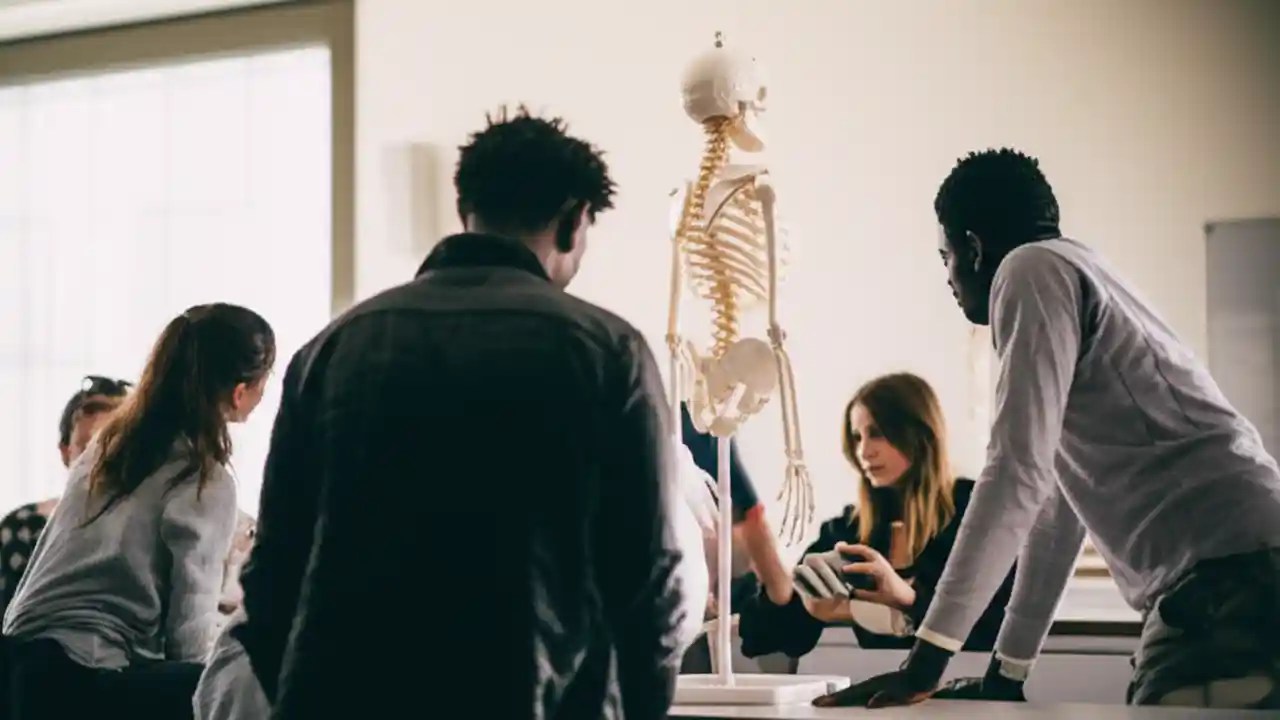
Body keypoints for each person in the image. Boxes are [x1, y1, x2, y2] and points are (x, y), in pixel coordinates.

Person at [224, 106, 690, 720]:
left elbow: (271, 577)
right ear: (575, 223)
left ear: (466, 209)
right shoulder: (609, 352)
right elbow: (649, 584)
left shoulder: (332, 349)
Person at [814, 149, 1280, 710]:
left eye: (946, 257)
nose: (949, 278)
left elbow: (1013, 473)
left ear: (974, 248)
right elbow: (1053, 512)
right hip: (1241, 565)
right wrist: (1006, 673)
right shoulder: (1078, 269)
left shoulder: (1029, 269)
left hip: (1227, 579)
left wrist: (925, 663)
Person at [3, 303, 275, 720]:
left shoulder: (106, 447)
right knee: (234, 687)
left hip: (18, 668)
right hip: (85, 675)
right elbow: (189, 638)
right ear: (240, 392)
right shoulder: (204, 478)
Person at [737, 373, 1013, 659]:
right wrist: (784, 590)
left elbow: (997, 628)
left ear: (920, 433)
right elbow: (761, 642)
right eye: (857, 437)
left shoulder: (976, 511)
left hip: (968, 691)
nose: (864, 451)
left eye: (877, 433)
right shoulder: (847, 531)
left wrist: (909, 600)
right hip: (876, 691)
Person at [0, 375, 132, 616]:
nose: (100, 462)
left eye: (114, 447)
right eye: (87, 448)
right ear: (65, 452)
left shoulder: (151, 532)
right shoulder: (22, 528)